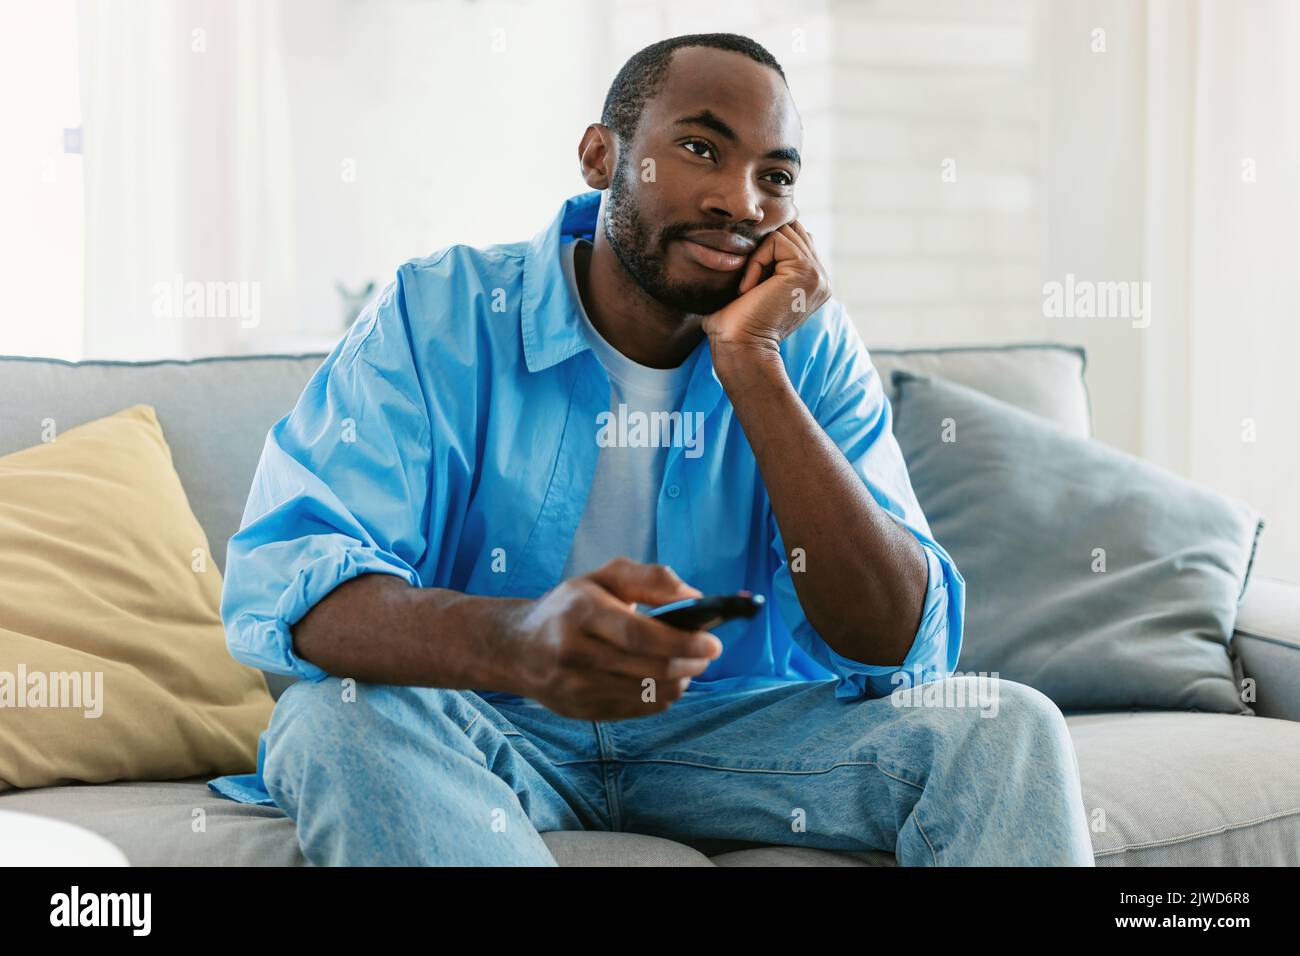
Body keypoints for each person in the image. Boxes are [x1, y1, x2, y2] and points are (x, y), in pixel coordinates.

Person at [208, 32, 1094, 866]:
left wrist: (752, 365)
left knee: (1004, 724)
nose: (739, 202)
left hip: (730, 733)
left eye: (774, 176)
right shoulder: (439, 314)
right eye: (702, 149)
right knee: (333, 718)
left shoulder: (806, 344)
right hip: (490, 724)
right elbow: (294, 585)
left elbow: (901, 646)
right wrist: (520, 641)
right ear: (602, 156)